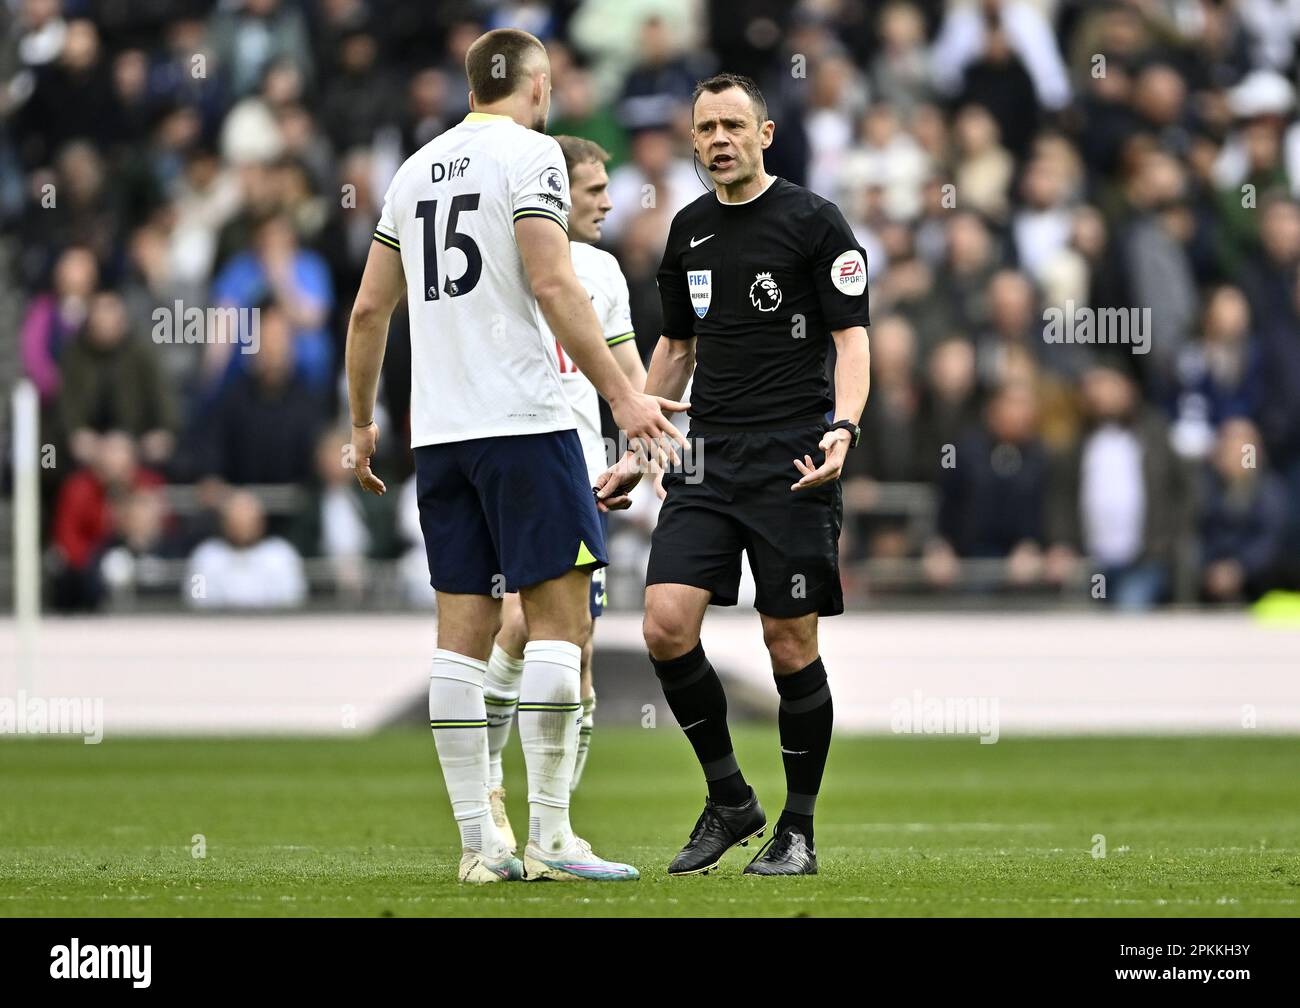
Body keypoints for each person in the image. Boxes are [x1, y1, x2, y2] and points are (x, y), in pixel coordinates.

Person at [344, 28, 684, 885]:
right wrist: (624, 397)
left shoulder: (413, 170)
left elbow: (367, 314)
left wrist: (359, 425)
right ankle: (552, 836)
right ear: (535, 87)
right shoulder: (531, 155)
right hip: (524, 424)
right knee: (561, 625)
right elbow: (551, 280)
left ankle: (478, 845)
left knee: (460, 638)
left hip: (439, 435)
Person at [597, 73, 872, 876]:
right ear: (692, 141)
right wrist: (639, 447)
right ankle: (729, 797)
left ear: (766, 133)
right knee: (663, 625)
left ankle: (800, 831)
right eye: (705, 127)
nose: (718, 139)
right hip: (708, 455)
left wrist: (844, 428)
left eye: (732, 125)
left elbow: (851, 340)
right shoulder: (687, 232)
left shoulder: (815, 223)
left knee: (788, 644)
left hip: (793, 454)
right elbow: (676, 352)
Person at [482, 135, 647, 849]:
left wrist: (645, 450)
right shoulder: (512, 260)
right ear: (556, 193)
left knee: (577, 647)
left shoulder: (606, 272)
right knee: (521, 625)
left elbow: (632, 375)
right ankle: (489, 783)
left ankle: (555, 822)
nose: (607, 200)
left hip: (583, 471)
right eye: (592, 190)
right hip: (520, 460)